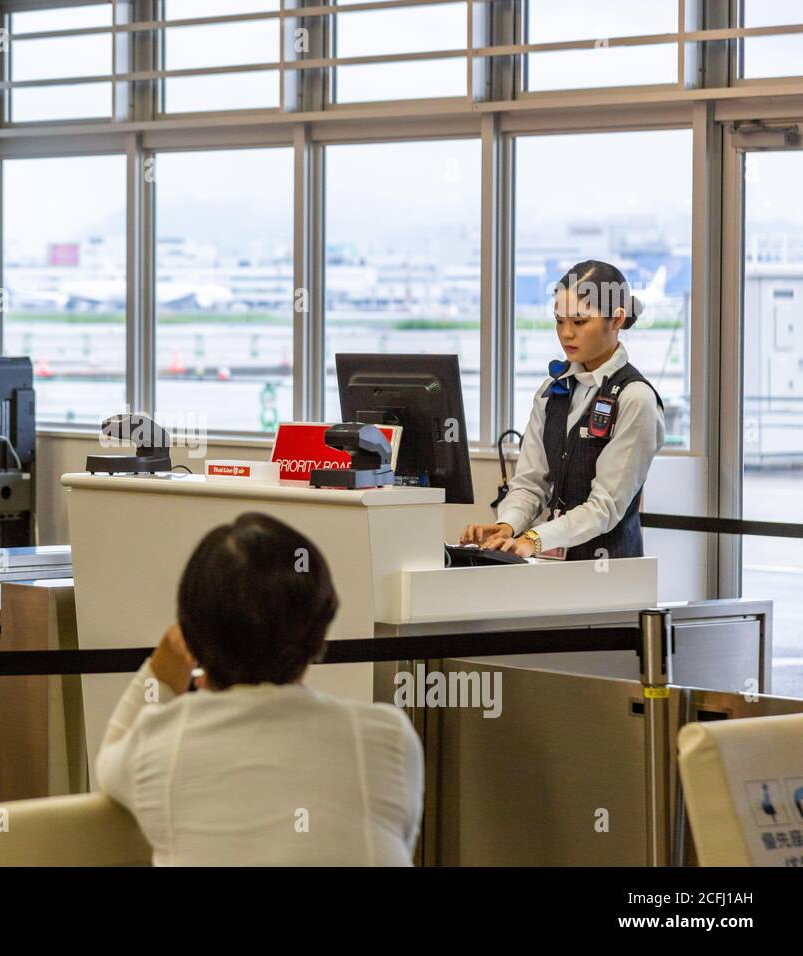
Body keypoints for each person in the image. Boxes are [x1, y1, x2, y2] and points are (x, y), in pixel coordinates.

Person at [95, 512, 423, 866]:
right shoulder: (388, 739)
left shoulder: (162, 746)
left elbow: (107, 762)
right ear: (319, 634)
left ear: (192, 635)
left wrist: (163, 670)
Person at [462, 260, 665, 560]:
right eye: (559, 321)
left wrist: (535, 538)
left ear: (617, 319)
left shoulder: (636, 398)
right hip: (552, 568)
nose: (566, 334)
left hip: (610, 574)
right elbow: (531, 482)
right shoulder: (553, 389)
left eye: (580, 322)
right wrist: (508, 524)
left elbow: (605, 506)